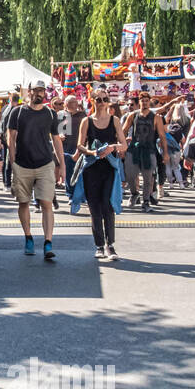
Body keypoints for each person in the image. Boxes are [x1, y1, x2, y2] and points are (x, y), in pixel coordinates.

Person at [5, 83, 63, 260]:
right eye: (36, 91)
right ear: (28, 93)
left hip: (45, 164)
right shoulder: (18, 112)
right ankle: (28, 237)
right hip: (22, 164)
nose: (39, 94)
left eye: (42, 91)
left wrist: (62, 164)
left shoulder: (51, 114)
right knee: (23, 202)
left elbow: (56, 139)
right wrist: (13, 161)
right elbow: (10, 137)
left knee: (46, 203)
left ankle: (48, 243)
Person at [75, 90, 127, 261]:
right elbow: (80, 145)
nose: (102, 102)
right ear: (93, 101)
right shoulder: (86, 121)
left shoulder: (115, 120)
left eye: (105, 99)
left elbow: (124, 144)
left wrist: (112, 147)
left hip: (109, 167)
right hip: (91, 167)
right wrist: (91, 152)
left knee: (108, 205)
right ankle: (99, 245)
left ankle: (110, 245)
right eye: (99, 99)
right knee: (94, 207)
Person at [123, 94, 167, 211]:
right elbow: (123, 131)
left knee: (148, 178)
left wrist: (165, 153)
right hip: (134, 149)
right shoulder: (133, 115)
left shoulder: (156, 117)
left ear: (149, 102)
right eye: (143, 101)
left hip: (149, 150)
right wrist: (122, 146)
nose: (145, 103)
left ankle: (146, 201)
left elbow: (162, 136)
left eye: (147, 101)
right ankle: (134, 193)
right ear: (139, 103)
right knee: (130, 175)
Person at [60, 95, 86, 204]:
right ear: (65, 104)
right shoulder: (62, 115)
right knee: (69, 173)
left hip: (80, 148)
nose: (73, 104)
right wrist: (60, 134)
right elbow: (58, 130)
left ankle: (82, 196)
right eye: (70, 102)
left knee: (81, 173)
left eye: (75, 102)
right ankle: (70, 195)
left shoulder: (82, 116)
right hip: (67, 148)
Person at [0, 91, 21, 189]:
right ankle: (8, 183)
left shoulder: (4, 108)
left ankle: (6, 182)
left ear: (10, 99)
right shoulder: (17, 110)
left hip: (3, 136)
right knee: (10, 160)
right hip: (12, 137)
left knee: (7, 159)